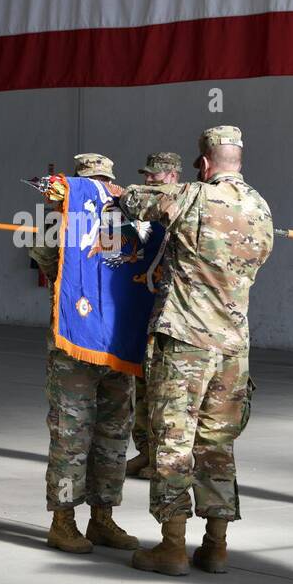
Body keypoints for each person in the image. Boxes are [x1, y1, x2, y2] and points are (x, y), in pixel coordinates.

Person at [108, 128, 274, 576]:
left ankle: (172, 545)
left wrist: (114, 190)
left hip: (185, 343)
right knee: (218, 444)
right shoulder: (260, 207)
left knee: (173, 443)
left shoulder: (192, 197)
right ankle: (216, 546)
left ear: (204, 163)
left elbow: (137, 200)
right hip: (233, 348)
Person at [30, 153, 139, 555]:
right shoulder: (56, 218)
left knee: (113, 434)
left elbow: (119, 262)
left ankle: (102, 517)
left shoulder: (123, 218)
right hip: (74, 344)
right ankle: (63, 520)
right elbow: (47, 262)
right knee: (71, 435)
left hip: (115, 342)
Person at [125, 151, 182, 481]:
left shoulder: (179, 204)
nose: (148, 180)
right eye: (147, 175)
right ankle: (145, 450)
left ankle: (162, 457)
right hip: (145, 307)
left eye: (155, 176)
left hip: (170, 312)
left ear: (172, 176)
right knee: (142, 387)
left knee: (163, 390)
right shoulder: (147, 208)